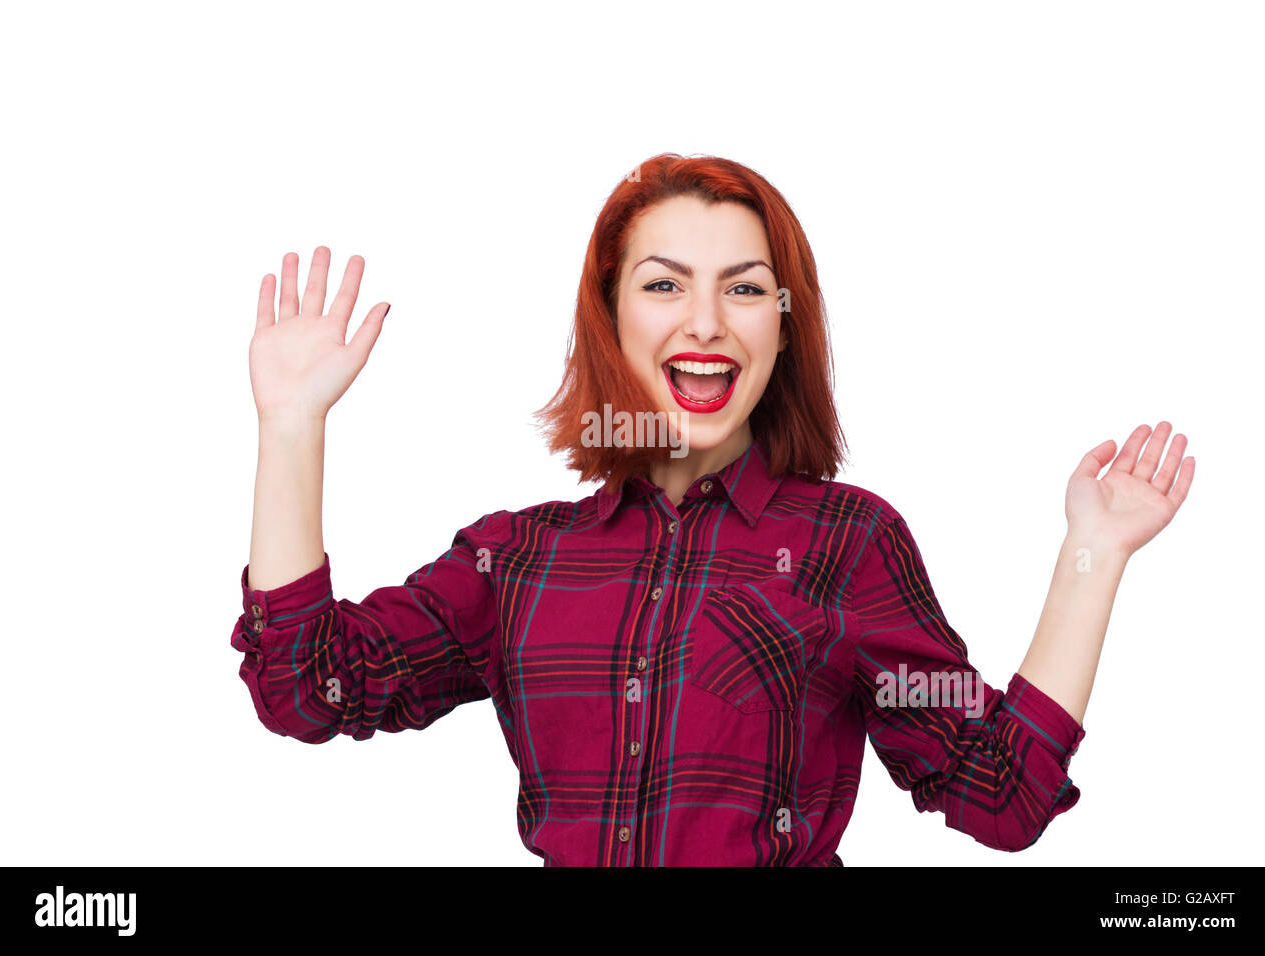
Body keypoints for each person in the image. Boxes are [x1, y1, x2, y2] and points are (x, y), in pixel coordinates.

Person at [231, 153, 1195, 866]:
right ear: (611, 316)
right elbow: (309, 689)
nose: (704, 322)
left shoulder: (848, 545)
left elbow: (1002, 792)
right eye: (663, 286)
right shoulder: (516, 562)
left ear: (782, 326)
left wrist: (1093, 555)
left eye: (743, 290)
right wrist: (290, 428)